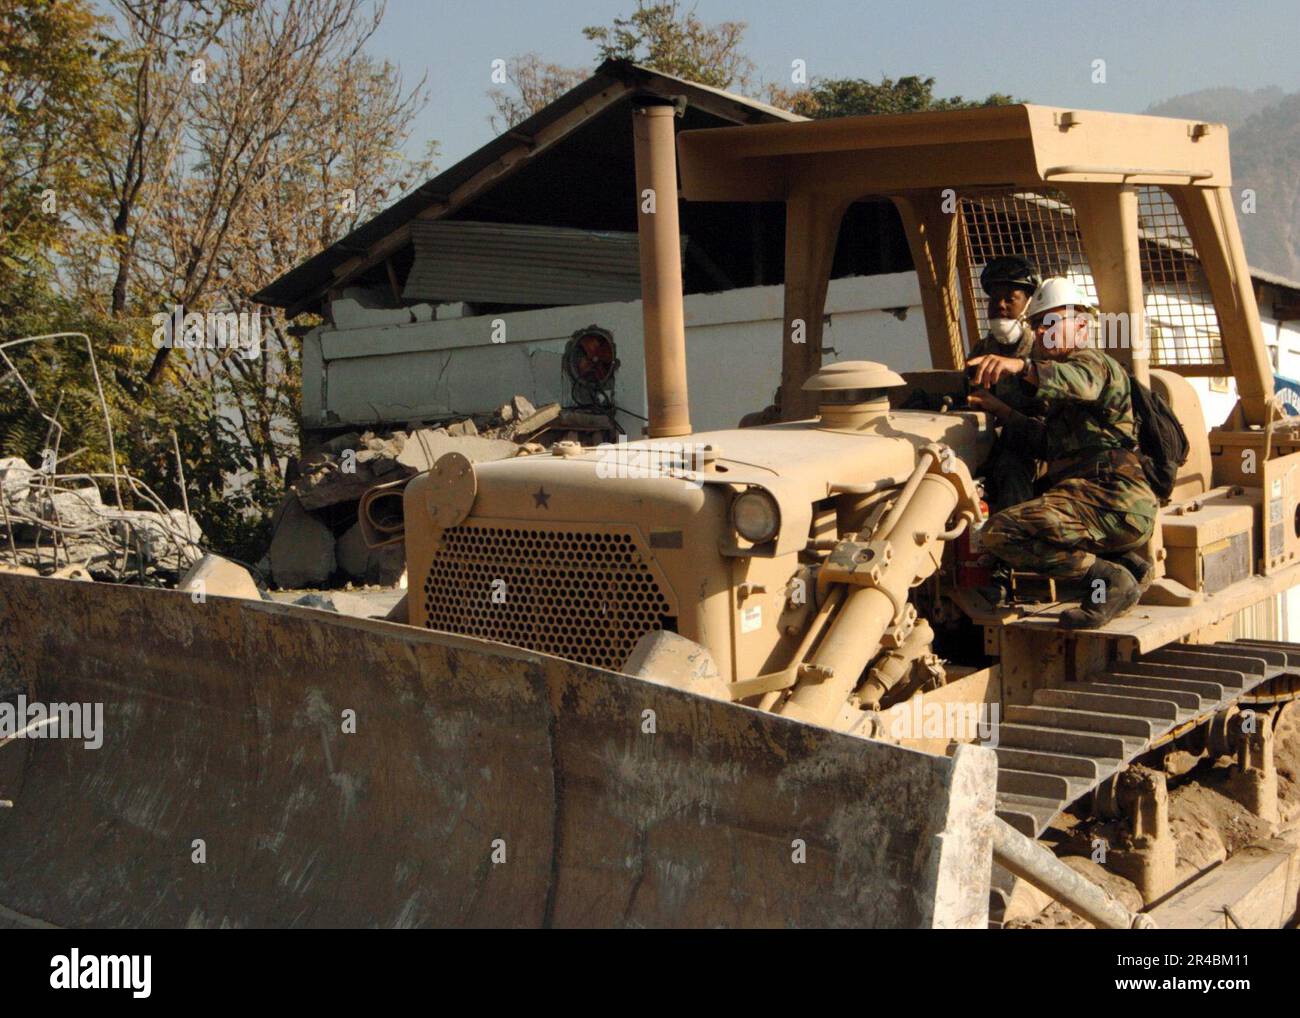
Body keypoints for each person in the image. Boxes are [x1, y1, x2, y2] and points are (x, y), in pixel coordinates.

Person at [966, 277, 1158, 628]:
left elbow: (1079, 382)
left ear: (1081, 326)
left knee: (1000, 532)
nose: (1042, 333)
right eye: (1038, 325)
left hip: (1111, 498)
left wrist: (1021, 366)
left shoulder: (1095, 365)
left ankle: (1111, 579)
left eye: (1052, 323)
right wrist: (1001, 410)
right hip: (1095, 502)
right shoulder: (1063, 384)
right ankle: (1119, 575)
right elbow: (1047, 443)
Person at [969, 256, 1043, 511]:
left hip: (1034, 447)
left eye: (1010, 298)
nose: (999, 305)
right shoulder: (982, 348)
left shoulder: (1041, 349)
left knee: (1012, 464)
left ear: (1028, 304)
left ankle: (1013, 537)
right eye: (994, 299)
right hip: (988, 441)